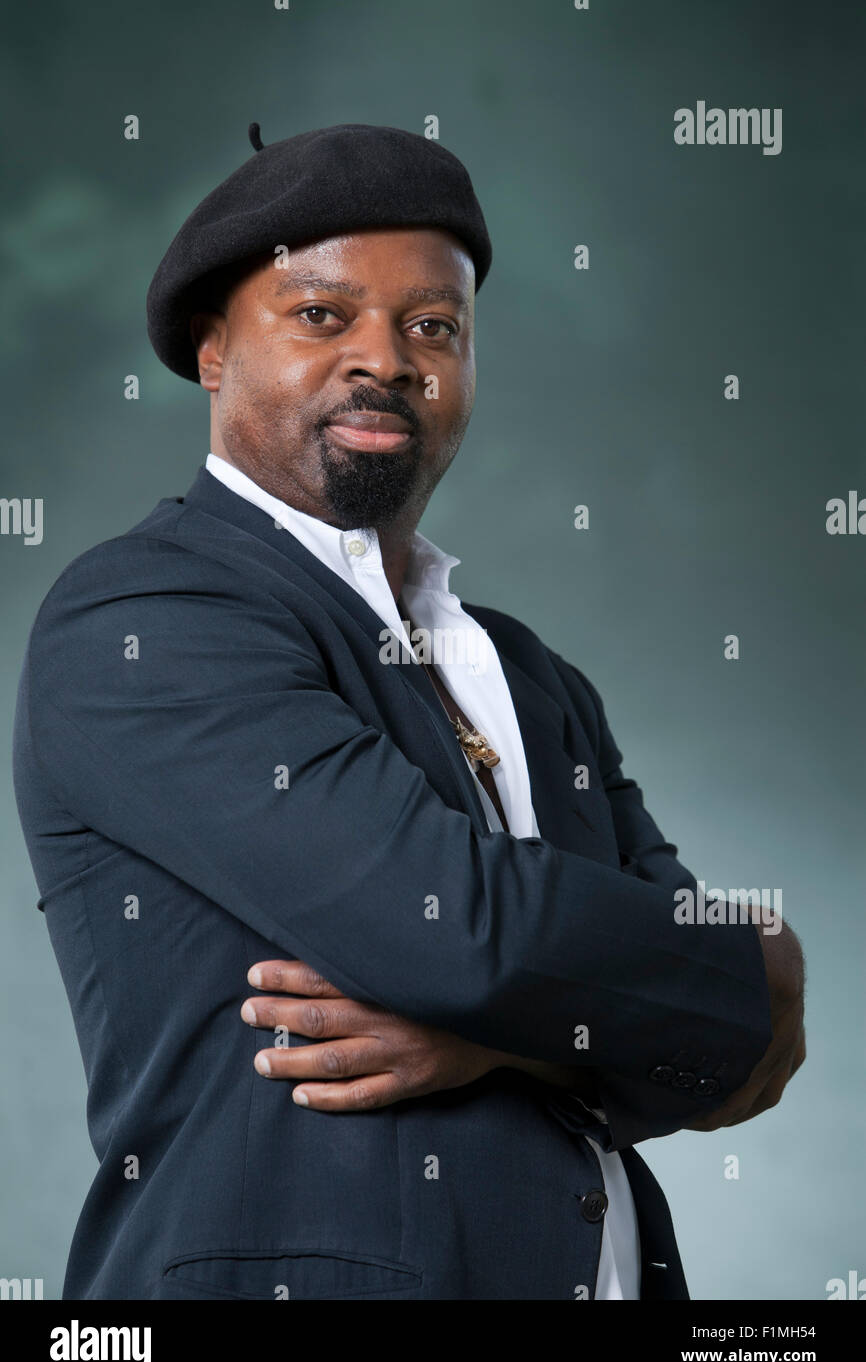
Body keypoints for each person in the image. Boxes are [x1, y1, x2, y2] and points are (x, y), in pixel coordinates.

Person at [12, 122, 805, 1301]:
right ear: (211, 348)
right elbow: (456, 928)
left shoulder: (532, 676)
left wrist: (508, 1030)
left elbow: (755, 1034)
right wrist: (705, 981)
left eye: (431, 326)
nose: (385, 358)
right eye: (321, 316)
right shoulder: (146, 613)